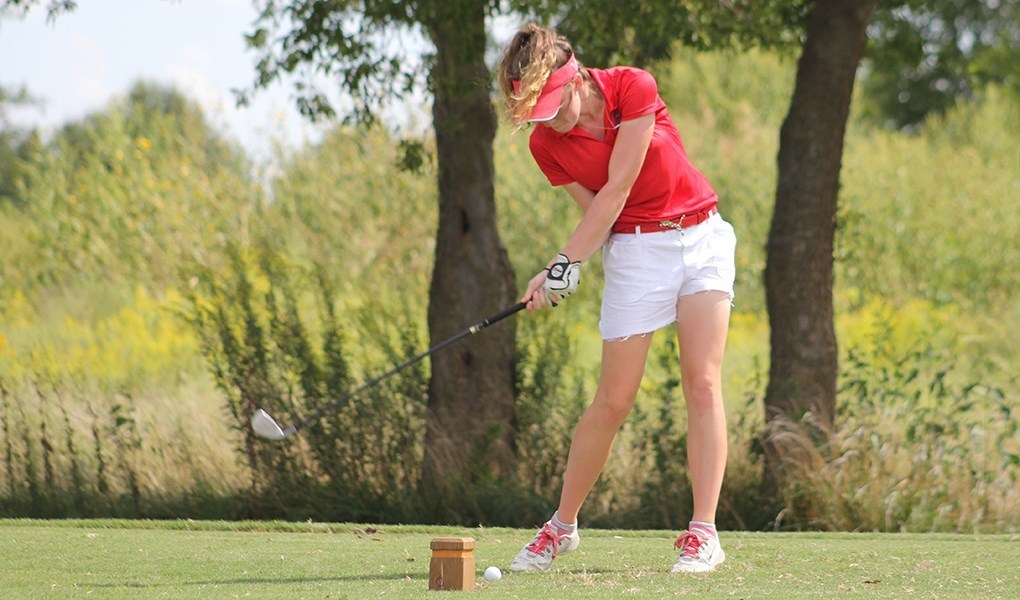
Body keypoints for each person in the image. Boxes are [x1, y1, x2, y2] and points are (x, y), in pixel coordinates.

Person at [497, 23, 737, 574]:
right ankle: (561, 527)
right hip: (635, 255)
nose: (550, 120)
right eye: (537, 112)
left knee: (701, 381)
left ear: (575, 74)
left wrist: (564, 262)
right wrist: (554, 274)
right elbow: (599, 216)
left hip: (701, 237)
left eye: (554, 104)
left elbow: (619, 186)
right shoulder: (544, 145)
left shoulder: (632, 87)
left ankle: (704, 533)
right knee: (613, 400)